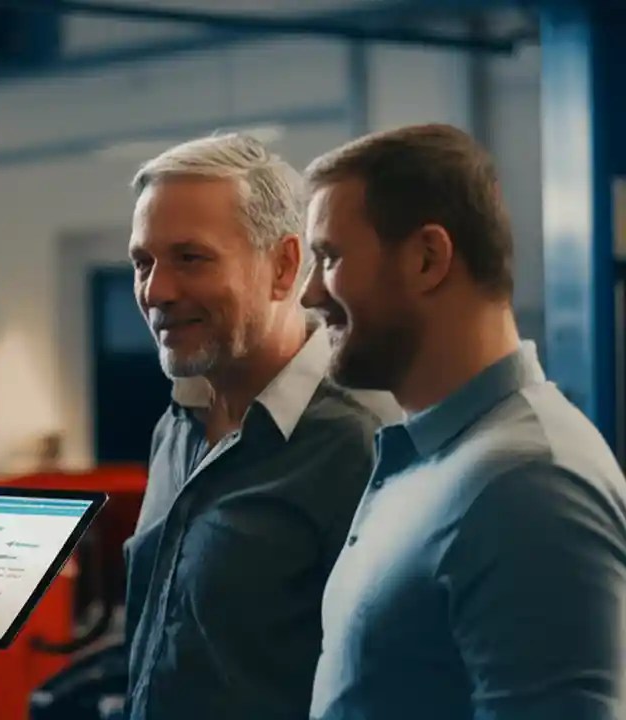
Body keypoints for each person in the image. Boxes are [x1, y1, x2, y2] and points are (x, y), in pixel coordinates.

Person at [302, 123, 626, 719]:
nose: (308, 295)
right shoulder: (433, 459)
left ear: (428, 259)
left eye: (329, 257)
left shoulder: (529, 484)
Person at [121, 133, 400, 719]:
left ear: (284, 266)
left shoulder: (361, 445)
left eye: (189, 258)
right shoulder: (176, 428)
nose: (156, 292)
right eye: (143, 262)